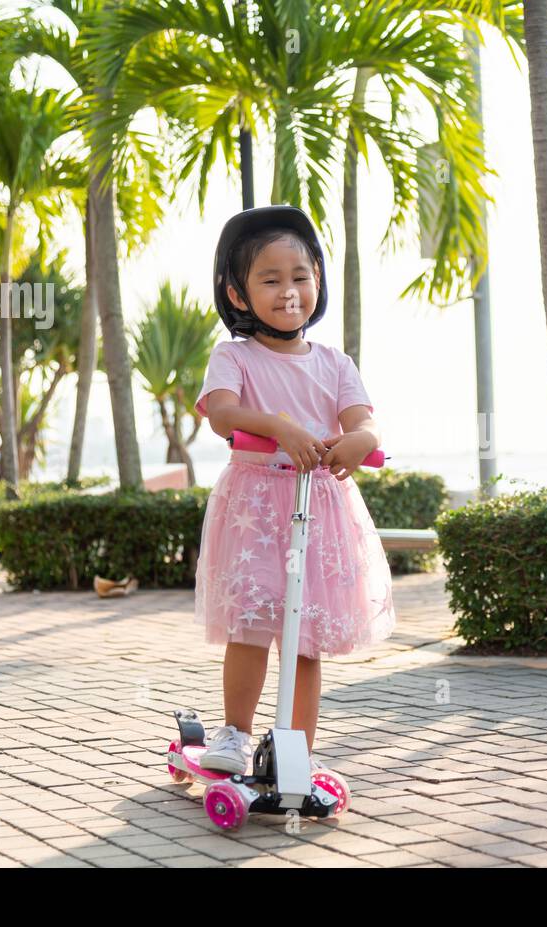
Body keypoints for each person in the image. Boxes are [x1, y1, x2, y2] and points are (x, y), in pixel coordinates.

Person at [192, 205, 396, 774]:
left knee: (306, 640)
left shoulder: (334, 363)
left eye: (300, 277)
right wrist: (279, 426)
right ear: (238, 294)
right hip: (257, 505)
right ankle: (235, 734)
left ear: (318, 282)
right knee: (254, 623)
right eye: (270, 279)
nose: (289, 291)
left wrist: (360, 440)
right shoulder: (234, 356)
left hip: (320, 507)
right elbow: (223, 413)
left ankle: (296, 751)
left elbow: (365, 421)